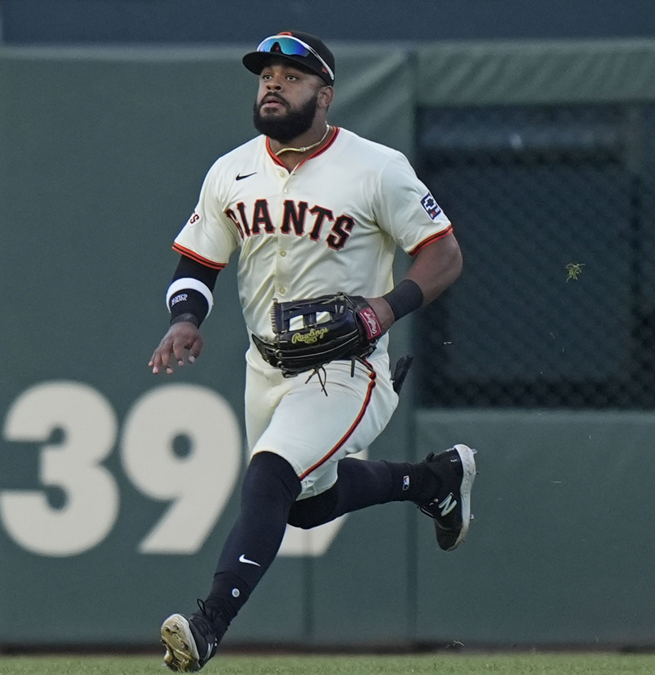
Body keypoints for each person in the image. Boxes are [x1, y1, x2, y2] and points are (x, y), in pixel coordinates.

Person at [147, 31, 475, 671]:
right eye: (265, 74)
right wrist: (184, 318)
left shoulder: (375, 167)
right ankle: (434, 481)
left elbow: (443, 254)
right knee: (306, 507)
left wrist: (384, 309)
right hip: (264, 365)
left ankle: (208, 625)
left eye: (291, 76)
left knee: (268, 477)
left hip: (346, 366)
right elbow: (198, 261)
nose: (272, 83)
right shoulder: (232, 169)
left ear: (325, 95)